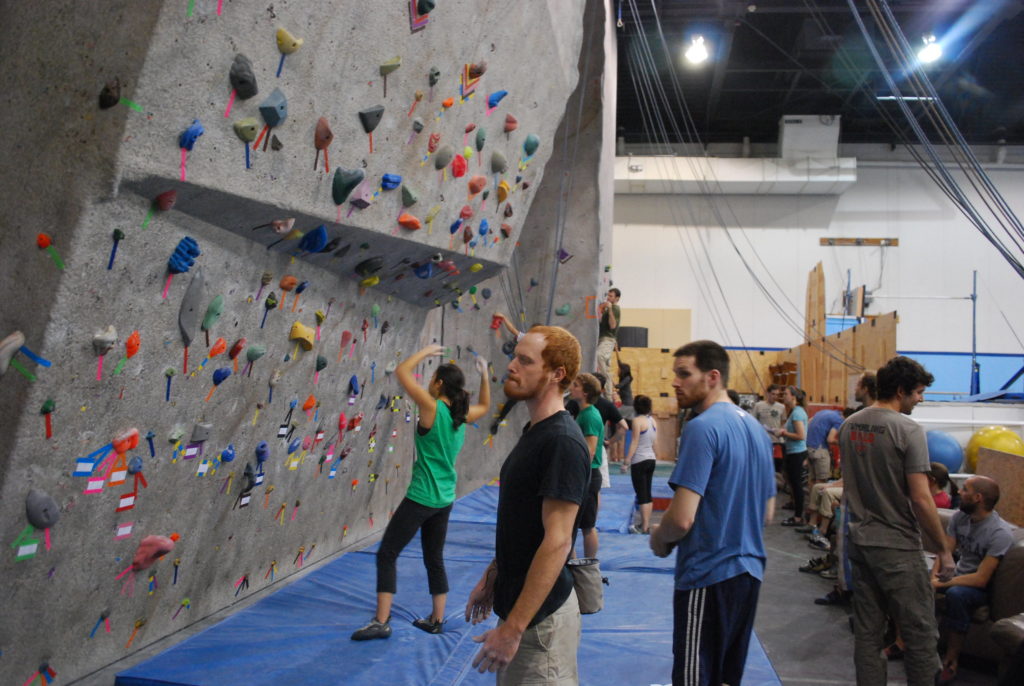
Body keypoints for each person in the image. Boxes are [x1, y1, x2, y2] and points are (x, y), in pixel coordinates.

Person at [465, 326, 591, 683]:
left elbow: (558, 542)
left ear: (556, 373)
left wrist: (513, 629)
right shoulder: (536, 432)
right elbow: (523, 525)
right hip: (522, 610)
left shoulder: (562, 442)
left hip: (538, 624)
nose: (511, 366)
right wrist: (494, 575)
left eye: (525, 360)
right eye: (514, 357)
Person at [650, 340, 775, 686]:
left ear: (713, 377)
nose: (675, 382)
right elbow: (767, 514)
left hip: (708, 574)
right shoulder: (758, 431)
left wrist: (659, 538)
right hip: (748, 575)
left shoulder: (702, 427)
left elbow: (681, 519)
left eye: (684, 374)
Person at [351, 345, 490, 641]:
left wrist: (425, 351)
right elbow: (486, 406)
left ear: (438, 383)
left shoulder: (432, 407)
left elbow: (402, 372)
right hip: (445, 498)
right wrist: (485, 377)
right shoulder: (461, 415)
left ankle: (381, 621)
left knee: (387, 553)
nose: (428, 382)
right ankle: (436, 620)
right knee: (434, 558)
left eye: (432, 378)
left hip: (422, 497)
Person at [840, 356, 955, 686]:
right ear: (901, 391)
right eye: (918, 392)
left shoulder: (850, 425)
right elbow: (921, 498)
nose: (921, 399)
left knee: (868, 634)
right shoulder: (908, 430)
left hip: (859, 541)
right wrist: (943, 550)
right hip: (897, 547)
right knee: (921, 635)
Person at [932, 476, 1013, 685]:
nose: (959, 492)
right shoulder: (960, 517)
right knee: (914, 578)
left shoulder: (999, 533)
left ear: (977, 498)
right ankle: (902, 641)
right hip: (957, 574)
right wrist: (932, 577)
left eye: (965, 489)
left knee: (957, 594)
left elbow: (981, 579)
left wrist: (940, 584)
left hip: (978, 587)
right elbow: (945, 552)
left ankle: (951, 660)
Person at [570, 373, 604, 559]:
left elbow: (589, 451)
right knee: (572, 525)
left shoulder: (589, 416)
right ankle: (572, 563)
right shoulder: (584, 413)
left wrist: (576, 475)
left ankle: (589, 565)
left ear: (585, 393)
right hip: (585, 475)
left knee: (587, 526)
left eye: (576, 385)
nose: (572, 387)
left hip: (588, 475)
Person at [623, 394, 657, 534]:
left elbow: (634, 442)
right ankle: (645, 524)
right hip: (651, 459)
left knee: (642, 494)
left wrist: (627, 461)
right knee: (647, 493)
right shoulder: (652, 421)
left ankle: (644, 527)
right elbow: (655, 441)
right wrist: (654, 455)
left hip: (640, 460)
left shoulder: (637, 421)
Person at [777, 386, 808, 527]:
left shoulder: (797, 413)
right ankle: (796, 510)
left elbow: (801, 435)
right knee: (793, 483)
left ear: (794, 397)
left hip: (797, 453)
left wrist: (783, 433)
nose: (784, 396)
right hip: (792, 451)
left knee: (797, 485)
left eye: (786, 394)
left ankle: (798, 518)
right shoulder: (794, 412)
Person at [595, 288, 621, 397]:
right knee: (604, 366)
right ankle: (608, 394)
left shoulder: (615, 309)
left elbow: (613, 325)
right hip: (603, 339)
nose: (608, 298)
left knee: (599, 355)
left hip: (608, 339)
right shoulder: (608, 308)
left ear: (617, 298)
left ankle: (608, 390)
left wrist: (609, 309)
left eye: (611, 296)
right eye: (608, 296)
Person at [752, 384, 785, 467]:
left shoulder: (781, 407)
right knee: (763, 464)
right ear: (768, 393)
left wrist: (780, 431)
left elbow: (783, 423)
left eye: (777, 395)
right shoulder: (758, 405)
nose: (775, 397)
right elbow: (753, 422)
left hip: (776, 441)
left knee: (776, 465)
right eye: (773, 394)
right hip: (763, 440)